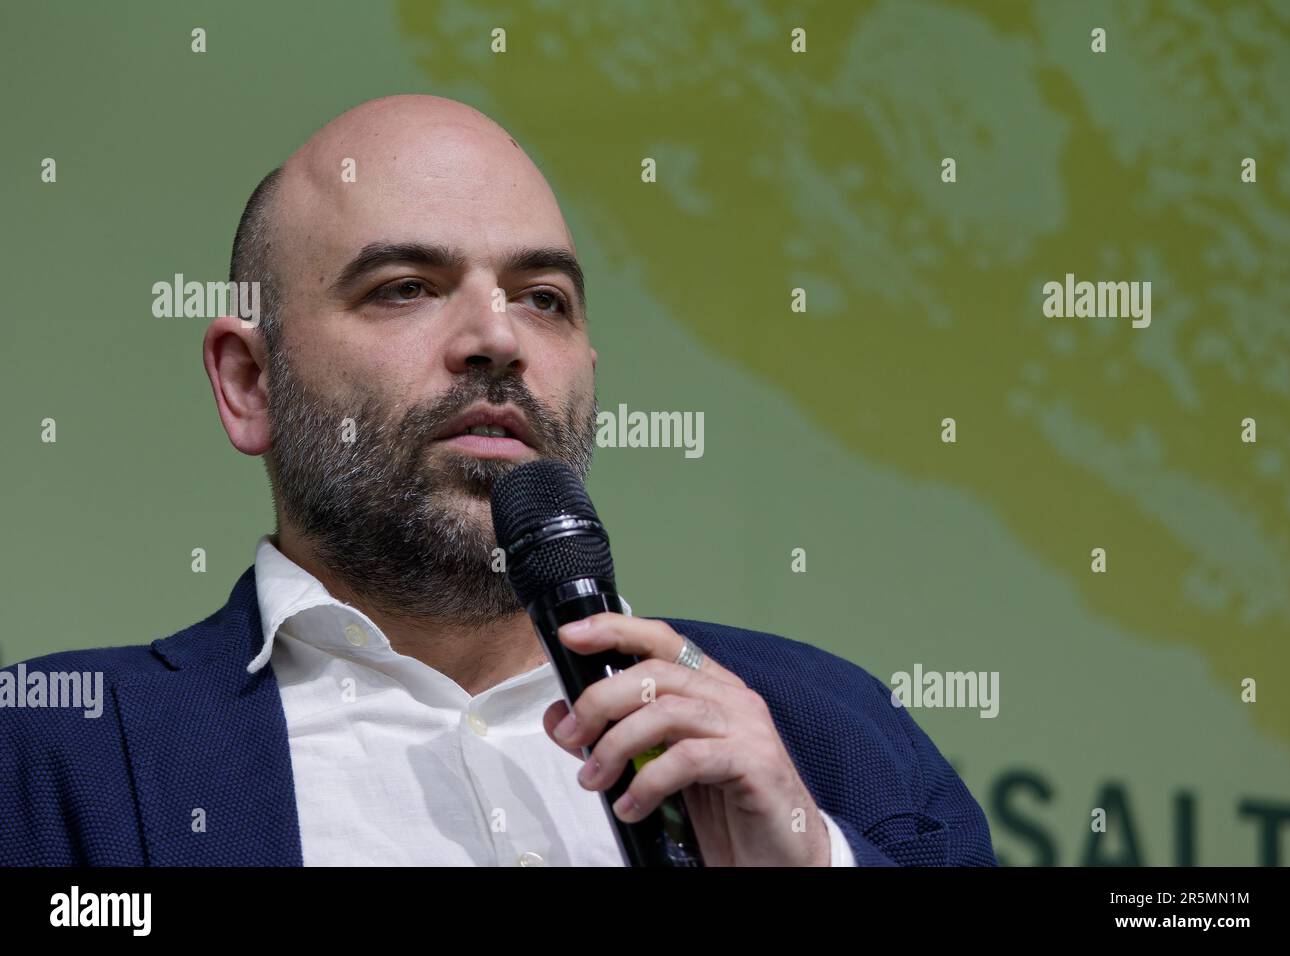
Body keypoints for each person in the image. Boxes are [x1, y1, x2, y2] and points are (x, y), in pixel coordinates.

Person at [0, 95, 996, 867]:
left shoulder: (833, 734)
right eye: (405, 288)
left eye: (544, 298)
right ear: (249, 380)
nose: (497, 340)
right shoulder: (51, 752)